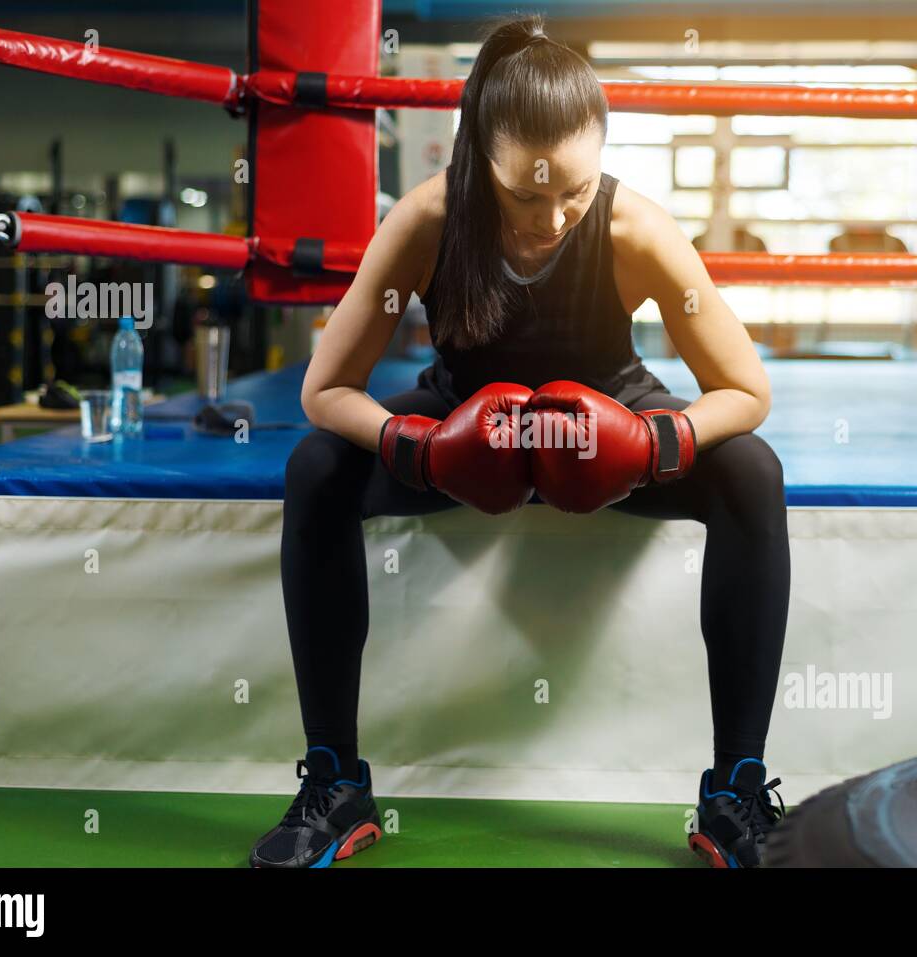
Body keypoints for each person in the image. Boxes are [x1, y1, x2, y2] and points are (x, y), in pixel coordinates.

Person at [250, 15, 790, 869]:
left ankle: (734, 790)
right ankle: (335, 778)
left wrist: (653, 444)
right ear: (479, 163)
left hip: (610, 420)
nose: (553, 216)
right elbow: (326, 391)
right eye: (524, 195)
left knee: (753, 474)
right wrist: (419, 448)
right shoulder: (428, 220)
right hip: (463, 423)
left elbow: (748, 392)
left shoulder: (635, 230)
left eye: (573, 190)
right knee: (315, 467)